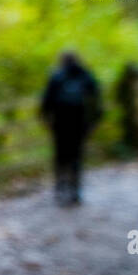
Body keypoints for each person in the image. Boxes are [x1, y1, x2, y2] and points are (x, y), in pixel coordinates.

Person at [40, 51, 101, 205]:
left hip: (60, 124)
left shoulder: (57, 76)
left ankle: (60, 187)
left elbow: (46, 100)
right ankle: (75, 190)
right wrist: (94, 121)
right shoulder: (85, 75)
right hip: (79, 123)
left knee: (61, 156)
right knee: (77, 156)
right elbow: (96, 99)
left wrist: (45, 118)